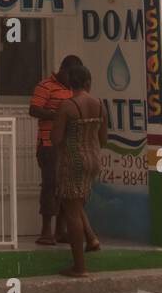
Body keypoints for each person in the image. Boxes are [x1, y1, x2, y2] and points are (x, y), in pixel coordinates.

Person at [52, 64, 108, 278]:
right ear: (88, 83)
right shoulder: (100, 105)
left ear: (70, 84)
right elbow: (103, 139)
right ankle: (90, 241)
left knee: (72, 213)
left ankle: (79, 267)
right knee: (78, 206)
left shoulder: (68, 106)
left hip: (73, 161)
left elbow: (56, 139)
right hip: (93, 159)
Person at [28, 55, 78, 245]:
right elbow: (34, 109)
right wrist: (58, 115)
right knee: (50, 186)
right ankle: (46, 231)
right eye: (71, 75)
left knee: (65, 188)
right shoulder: (46, 86)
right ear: (63, 70)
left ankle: (60, 230)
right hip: (48, 144)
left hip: (68, 146)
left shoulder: (73, 89)